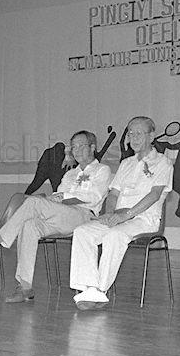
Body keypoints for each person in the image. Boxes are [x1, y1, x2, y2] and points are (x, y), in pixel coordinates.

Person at [0, 130, 111, 303]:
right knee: (29, 225)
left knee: (33, 202)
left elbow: (94, 196)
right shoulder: (70, 173)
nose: (76, 150)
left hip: (84, 215)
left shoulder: (102, 170)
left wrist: (63, 197)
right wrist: (55, 198)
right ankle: (24, 287)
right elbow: (59, 195)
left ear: (92, 147)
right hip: (61, 215)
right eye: (73, 147)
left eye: (81, 146)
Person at [69, 116, 173, 310]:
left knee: (114, 234)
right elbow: (113, 194)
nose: (133, 137)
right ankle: (88, 287)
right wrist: (110, 214)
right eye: (131, 133)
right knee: (83, 232)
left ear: (151, 136)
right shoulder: (126, 164)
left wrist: (126, 216)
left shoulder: (163, 162)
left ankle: (100, 290)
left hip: (144, 218)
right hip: (119, 216)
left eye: (139, 133)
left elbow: (154, 195)